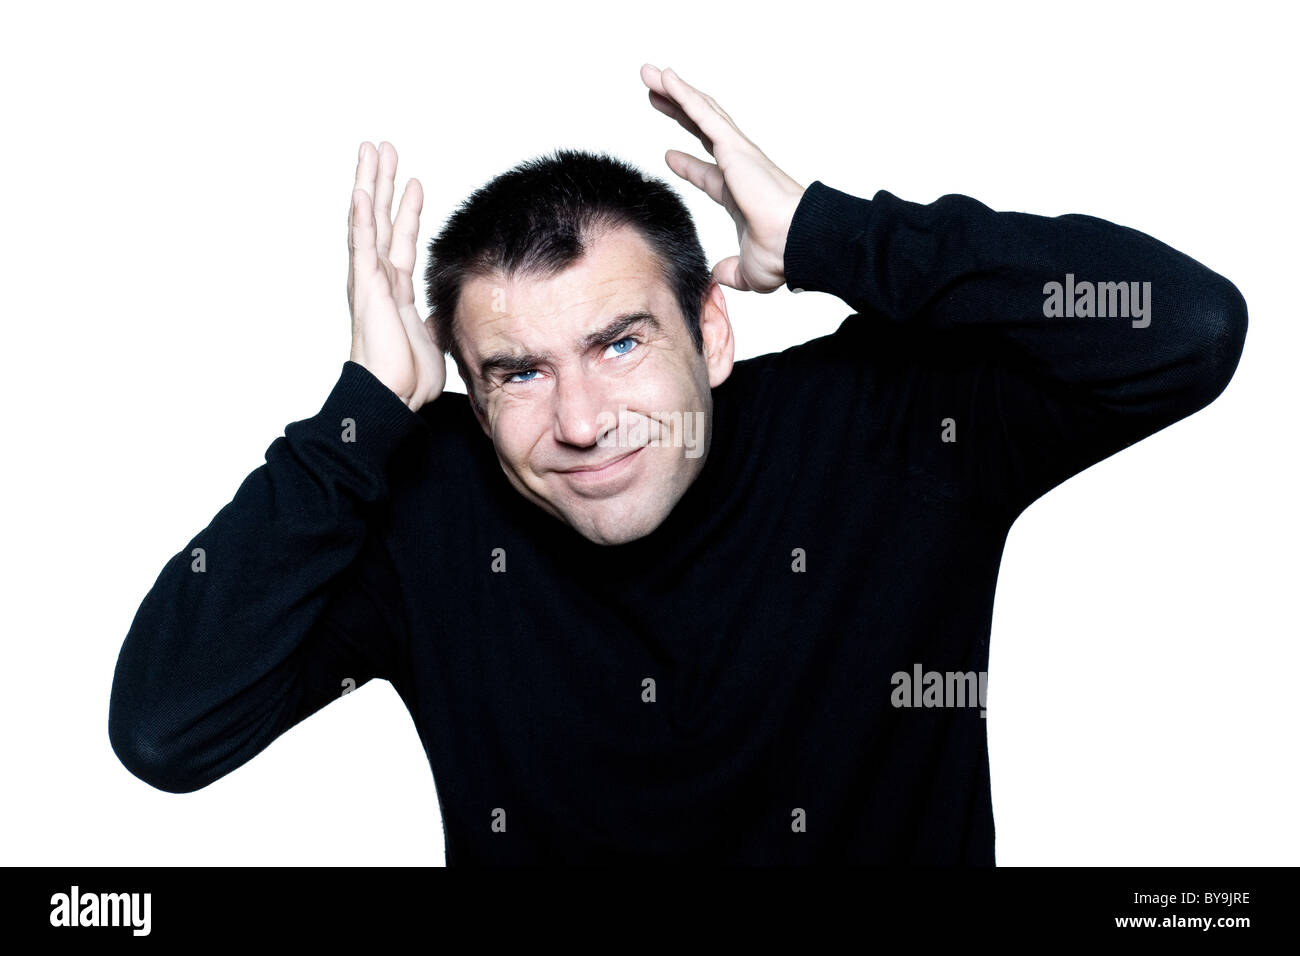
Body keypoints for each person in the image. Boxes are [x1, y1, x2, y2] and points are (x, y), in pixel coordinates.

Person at [108, 64, 1248, 864]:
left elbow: (1184, 328)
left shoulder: (886, 425)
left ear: (710, 329)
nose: (584, 419)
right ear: (468, 387)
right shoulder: (427, 507)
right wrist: (358, 418)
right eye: (517, 371)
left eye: (619, 342)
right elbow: (165, 728)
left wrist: (828, 232)